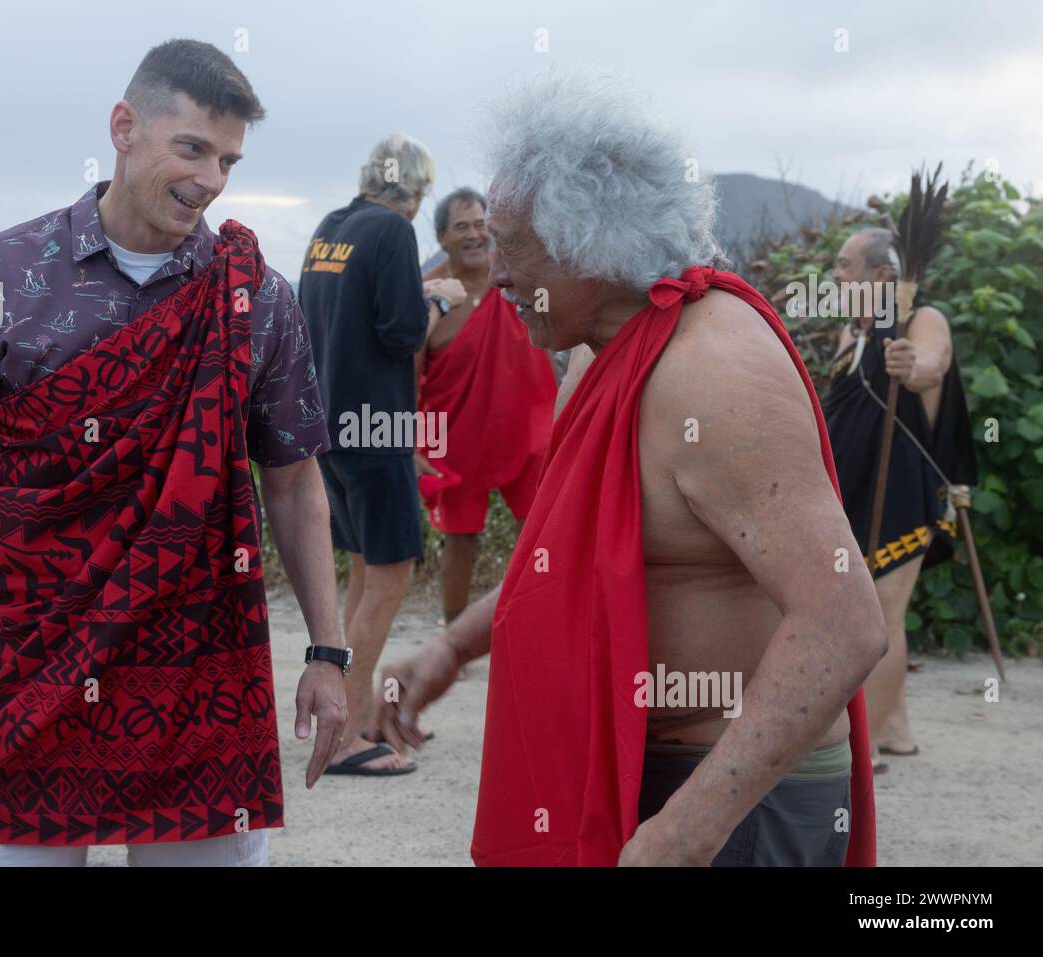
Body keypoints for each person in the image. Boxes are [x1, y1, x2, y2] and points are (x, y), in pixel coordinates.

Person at [378, 65, 883, 866]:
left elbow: (845, 621)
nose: (499, 275)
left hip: (734, 805)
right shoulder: (596, 353)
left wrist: (688, 829)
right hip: (635, 779)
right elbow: (574, 560)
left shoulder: (714, 373)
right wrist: (449, 649)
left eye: (516, 250)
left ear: (590, 243)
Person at [0, 39, 347, 867]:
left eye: (229, 160)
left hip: (202, 674)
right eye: (192, 148)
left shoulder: (254, 297)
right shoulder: (1, 273)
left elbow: (296, 480)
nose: (211, 179)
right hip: (36, 661)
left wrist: (328, 652)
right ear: (124, 127)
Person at [298, 133, 437, 776]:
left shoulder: (332, 227)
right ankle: (348, 735)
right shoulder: (393, 231)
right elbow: (403, 331)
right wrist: (436, 299)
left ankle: (341, 719)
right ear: (414, 190)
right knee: (391, 578)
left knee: (360, 575)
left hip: (328, 425)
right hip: (376, 430)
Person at [822, 227, 978, 771]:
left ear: (882, 276)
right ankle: (897, 731)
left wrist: (915, 365)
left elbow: (932, 363)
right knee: (872, 616)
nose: (835, 276)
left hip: (900, 496)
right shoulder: (850, 333)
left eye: (845, 265)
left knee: (882, 618)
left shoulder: (920, 321)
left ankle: (857, 755)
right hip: (851, 493)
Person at [418, 187, 556, 626]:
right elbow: (406, 371)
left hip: (527, 428)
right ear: (442, 237)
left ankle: (537, 619)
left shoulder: (518, 277)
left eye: (480, 224)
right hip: (457, 436)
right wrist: (408, 443)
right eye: (462, 227)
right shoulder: (427, 295)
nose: (474, 235)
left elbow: (557, 341)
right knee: (460, 540)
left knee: (541, 531)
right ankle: (454, 632)